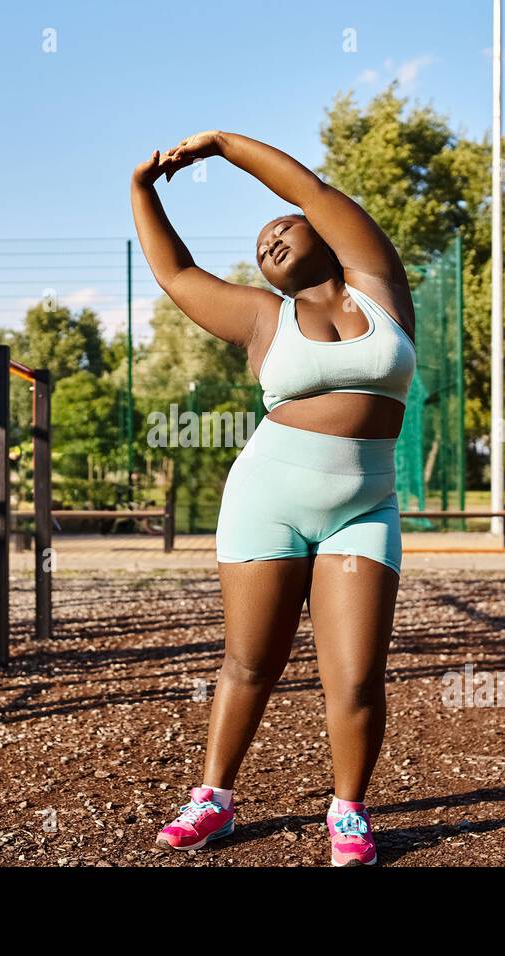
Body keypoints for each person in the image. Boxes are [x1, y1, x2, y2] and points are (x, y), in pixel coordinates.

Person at [130, 131, 416, 866]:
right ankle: (213, 800)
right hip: (267, 500)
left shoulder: (380, 286)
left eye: (280, 228)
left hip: (364, 509)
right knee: (249, 663)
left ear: (320, 232)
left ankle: (348, 812)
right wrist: (144, 190)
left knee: (355, 675)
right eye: (259, 246)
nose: (269, 241)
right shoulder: (263, 317)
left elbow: (309, 189)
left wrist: (222, 146)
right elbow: (174, 271)